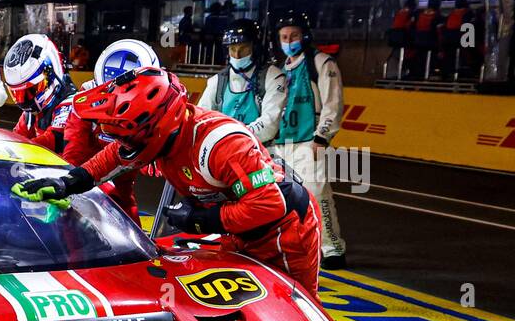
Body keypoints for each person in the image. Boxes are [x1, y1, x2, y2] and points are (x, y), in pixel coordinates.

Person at [19, 66, 321, 294]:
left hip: (284, 230)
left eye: (127, 135)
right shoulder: (160, 135)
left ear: (154, 129)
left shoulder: (220, 143)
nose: (122, 143)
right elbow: (113, 156)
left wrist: (201, 220)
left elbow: (269, 205)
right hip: (237, 229)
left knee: (297, 311)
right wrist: (70, 182)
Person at [55, 38, 163, 225]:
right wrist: (72, 182)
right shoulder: (85, 98)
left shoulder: (159, 103)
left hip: (122, 188)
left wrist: (157, 160)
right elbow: (73, 153)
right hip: (88, 182)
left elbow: (160, 158)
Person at [270, 9, 346, 269]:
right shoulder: (280, 69)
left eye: (294, 35)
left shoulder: (321, 63)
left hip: (308, 142)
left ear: (305, 36)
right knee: (283, 200)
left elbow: (333, 103)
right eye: (284, 36)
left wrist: (321, 138)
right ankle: (295, 245)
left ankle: (332, 248)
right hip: (280, 143)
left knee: (317, 195)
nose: (289, 40)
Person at [197, 19, 286, 144]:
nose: (237, 55)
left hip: (261, 152)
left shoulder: (272, 76)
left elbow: (269, 124)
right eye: (232, 49)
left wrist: (232, 137)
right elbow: (201, 118)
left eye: (243, 48)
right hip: (223, 150)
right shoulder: (217, 81)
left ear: (255, 47)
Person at [4, 33, 76, 152]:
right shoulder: (30, 112)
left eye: (31, 90)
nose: (24, 101)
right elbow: (17, 137)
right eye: (18, 94)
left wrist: (19, 149)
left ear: (49, 74)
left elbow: (55, 139)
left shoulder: (71, 103)